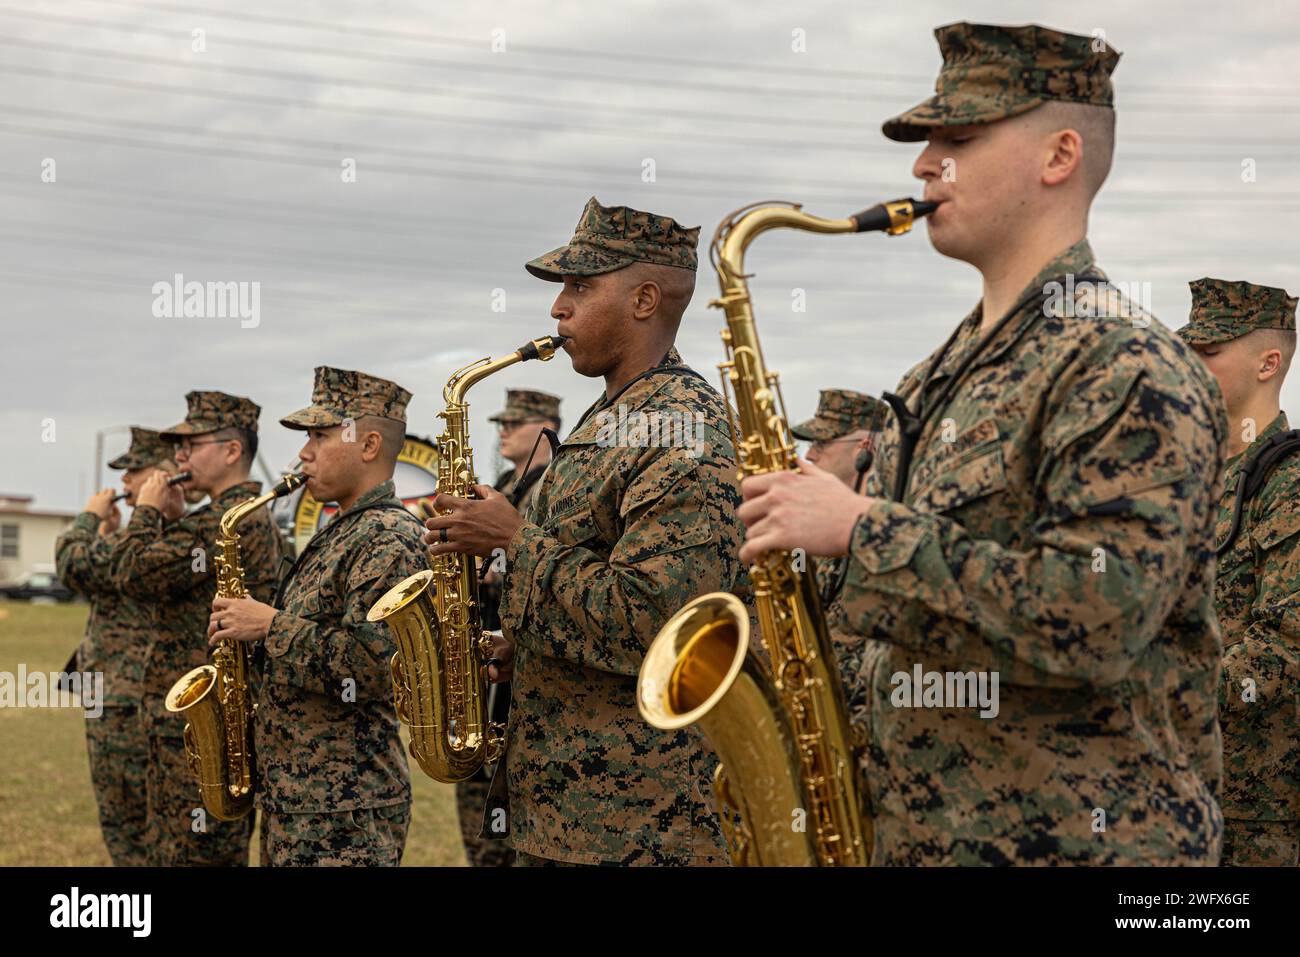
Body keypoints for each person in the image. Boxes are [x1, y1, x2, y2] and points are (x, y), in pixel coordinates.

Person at [735, 22, 1228, 865]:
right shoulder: (934, 377)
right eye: (926, 143)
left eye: (957, 138)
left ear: (1059, 155)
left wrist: (858, 531)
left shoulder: (1128, 363)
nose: (924, 165)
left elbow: (1100, 617)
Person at [424, 197, 747, 865]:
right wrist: (526, 644)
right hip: (569, 815)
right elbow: (593, 587)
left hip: (641, 828)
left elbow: (662, 625)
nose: (557, 308)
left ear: (645, 299)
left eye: (580, 286)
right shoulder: (611, 417)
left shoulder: (683, 426)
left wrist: (514, 540)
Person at [206, 367, 428, 867]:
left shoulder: (388, 538)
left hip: (345, 810)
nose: (304, 453)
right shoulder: (342, 530)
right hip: (300, 799)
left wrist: (269, 626)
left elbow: (377, 666)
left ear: (369, 445)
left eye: (321, 436)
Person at [111, 391, 285, 866]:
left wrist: (146, 511)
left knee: (189, 855)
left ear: (232, 451)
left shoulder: (224, 521)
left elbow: (129, 573)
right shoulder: (223, 518)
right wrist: (168, 521)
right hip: (202, 723)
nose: (180, 456)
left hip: (199, 733)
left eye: (192, 444)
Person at [1179, 277, 1300, 866]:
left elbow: (1282, 650)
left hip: (1259, 814)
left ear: (1267, 362)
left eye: (1208, 352)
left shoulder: (1288, 482)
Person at [54, 426, 176, 866]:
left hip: (127, 706)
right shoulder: (141, 541)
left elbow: (71, 563)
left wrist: (87, 518)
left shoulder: (150, 543)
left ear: (162, 476)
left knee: (130, 831)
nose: (122, 484)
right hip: (117, 697)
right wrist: (109, 531)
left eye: (133, 473)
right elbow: (104, 593)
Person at [457, 388, 562, 868]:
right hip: (491, 670)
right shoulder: (506, 481)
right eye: (499, 423)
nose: (501, 431)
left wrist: (501, 562)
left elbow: (551, 567)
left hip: (525, 679)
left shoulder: (552, 483)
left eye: (512, 423)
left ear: (545, 425)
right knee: (477, 824)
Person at [791, 389, 889, 724]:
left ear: (866, 449)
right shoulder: (816, 534)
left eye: (822, 443)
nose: (810, 456)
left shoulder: (891, 536)